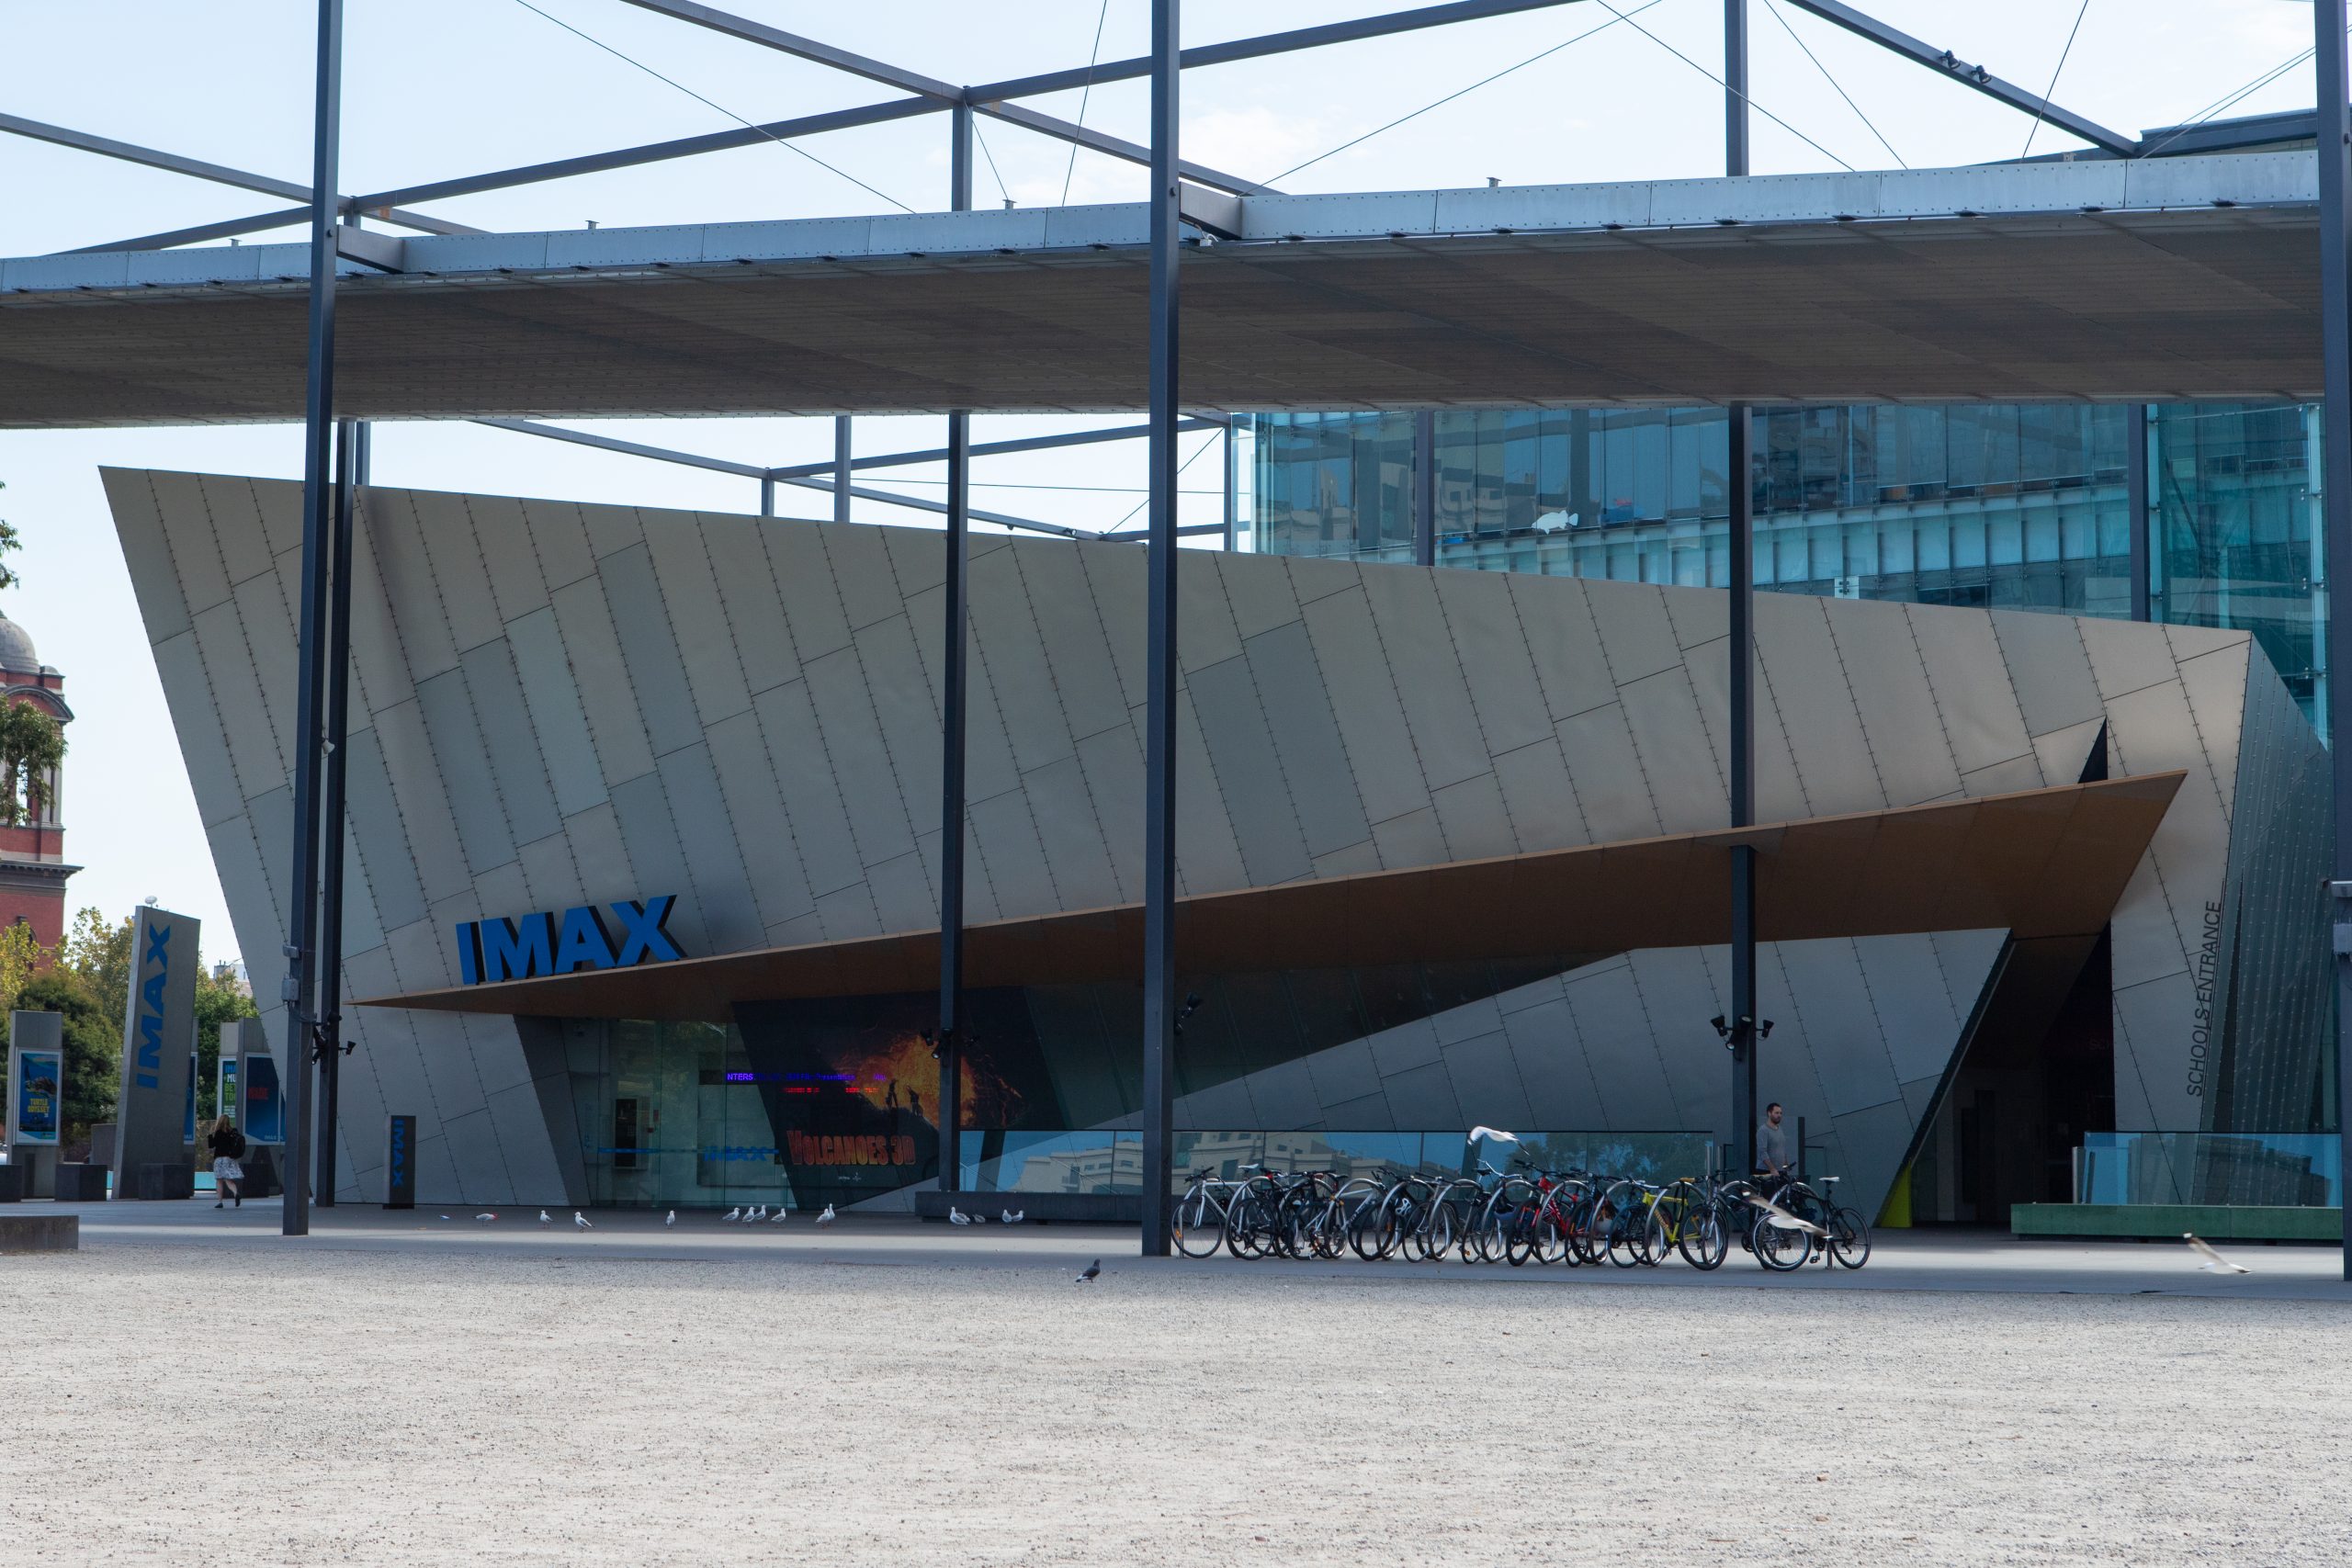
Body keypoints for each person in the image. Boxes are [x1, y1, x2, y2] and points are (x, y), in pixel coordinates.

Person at [206, 1115, 247, 1209]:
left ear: (219, 1121)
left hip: (219, 1159)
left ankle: (220, 1202)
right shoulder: (232, 1133)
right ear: (228, 1122)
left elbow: (211, 1145)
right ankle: (236, 1193)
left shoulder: (218, 1132)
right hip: (229, 1158)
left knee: (219, 1180)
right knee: (228, 1179)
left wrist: (210, 1135)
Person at [1756, 1101, 1792, 1184]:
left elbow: (1782, 1148)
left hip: (1780, 1170)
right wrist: (1772, 1169)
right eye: (1776, 1113)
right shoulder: (1763, 1130)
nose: (1779, 1115)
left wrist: (1785, 1164)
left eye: (1780, 1113)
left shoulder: (1780, 1129)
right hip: (1766, 1171)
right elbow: (1762, 1151)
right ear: (1769, 1113)